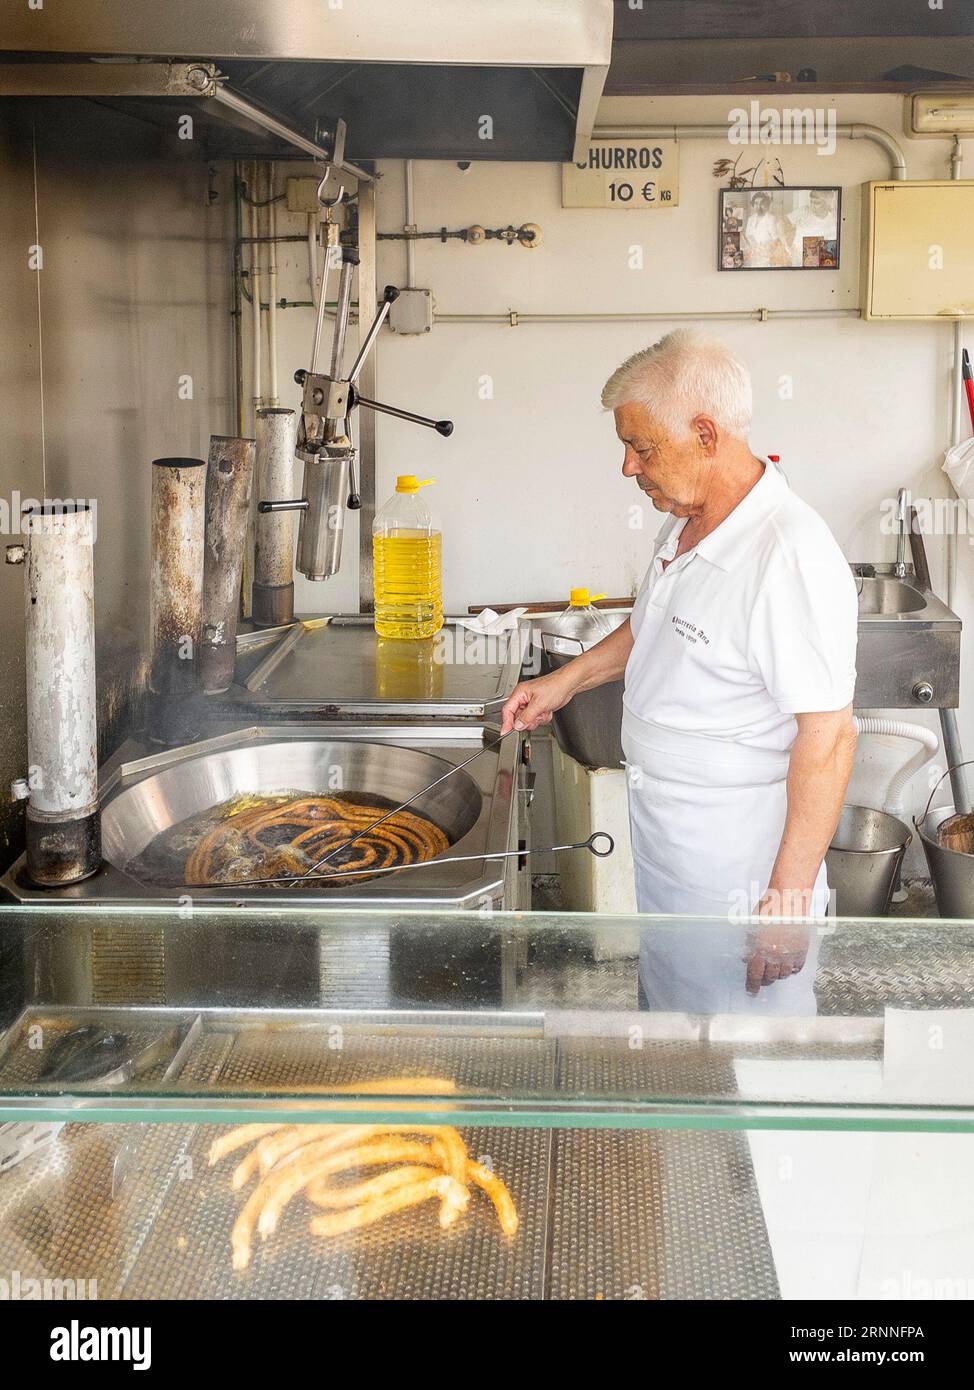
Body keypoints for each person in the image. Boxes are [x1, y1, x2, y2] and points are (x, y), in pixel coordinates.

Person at [501, 331, 858, 1014]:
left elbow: (831, 736)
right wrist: (566, 681)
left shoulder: (788, 556)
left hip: (740, 866)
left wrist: (786, 901)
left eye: (642, 447)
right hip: (672, 847)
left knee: (746, 1060)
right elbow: (655, 626)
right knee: (678, 1036)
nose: (629, 468)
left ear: (704, 433)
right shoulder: (689, 521)